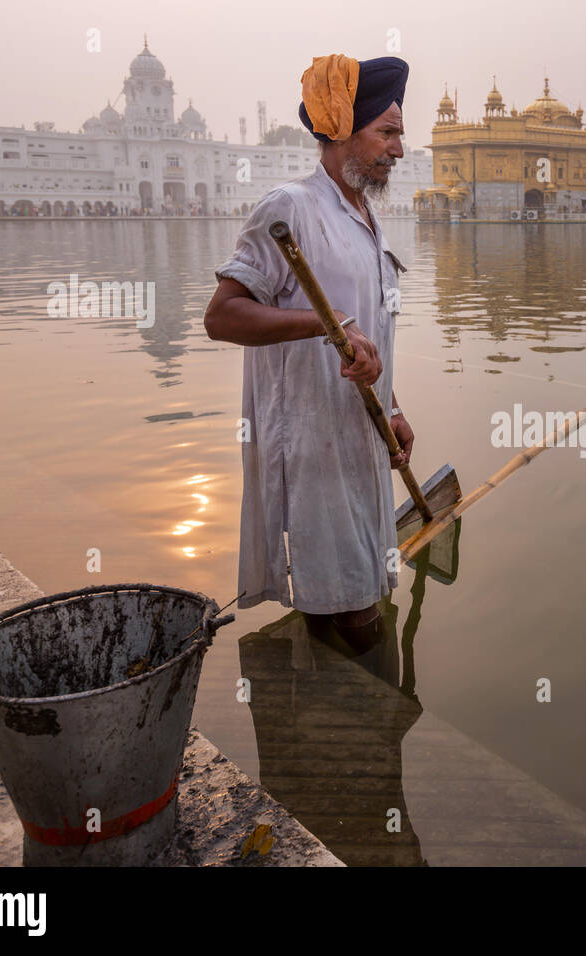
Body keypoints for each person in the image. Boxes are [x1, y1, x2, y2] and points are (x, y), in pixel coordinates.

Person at [205, 53, 413, 642]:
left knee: (366, 590)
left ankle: (349, 719)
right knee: (350, 610)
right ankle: (348, 723)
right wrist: (326, 326)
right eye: (388, 132)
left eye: (400, 134)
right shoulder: (290, 208)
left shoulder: (366, 218)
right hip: (311, 446)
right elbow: (222, 318)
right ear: (342, 131)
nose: (399, 149)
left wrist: (393, 409)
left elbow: (373, 330)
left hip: (361, 436)